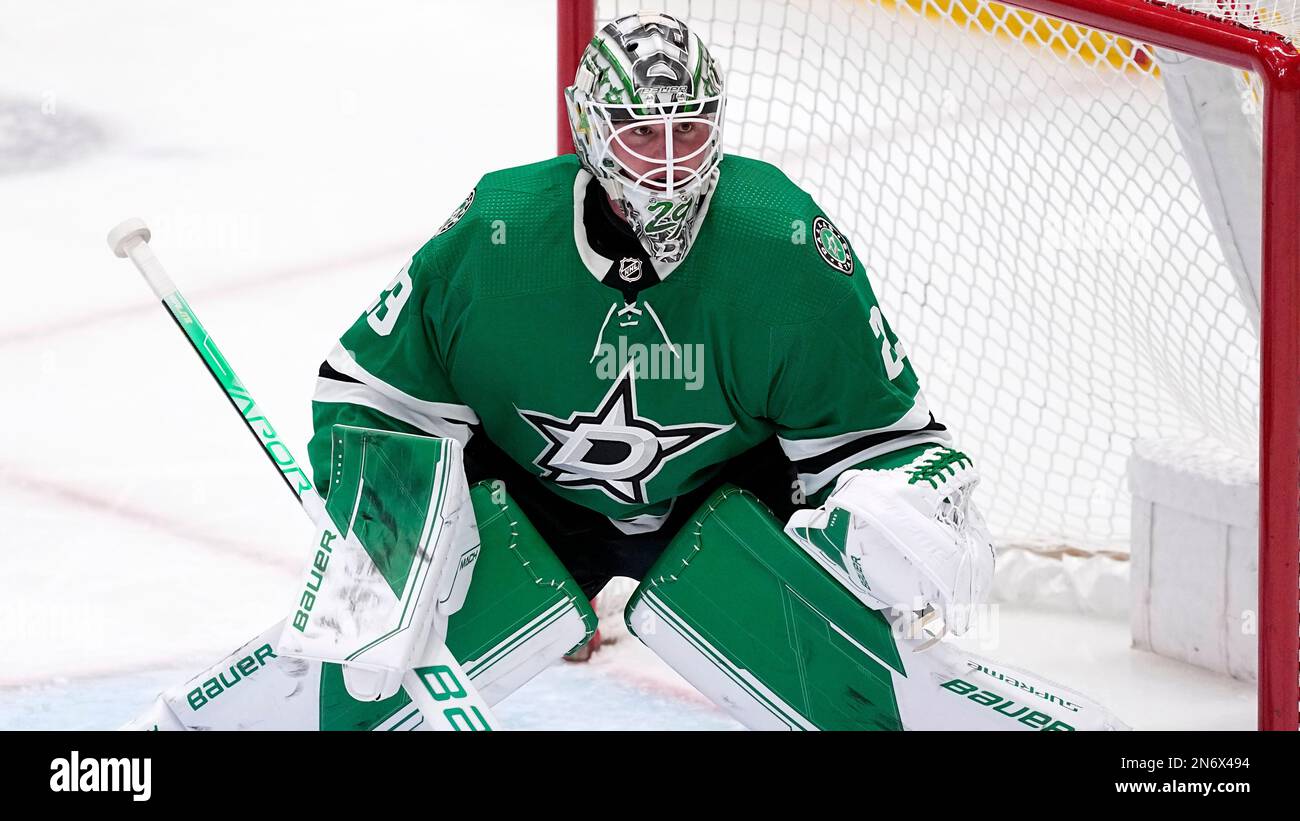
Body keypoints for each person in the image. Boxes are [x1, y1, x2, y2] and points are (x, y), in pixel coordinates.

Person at [308, 10, 987, 634]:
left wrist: (886, 518)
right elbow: (370, 393)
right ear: (590, 127)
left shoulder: (783, 242)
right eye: (640, 132)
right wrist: (391, 517)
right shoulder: (497, 233)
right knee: (396, 609)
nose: (668, 163)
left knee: (861, 572)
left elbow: (877, 436)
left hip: (723, 509)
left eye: (687, 128)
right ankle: (534, 601)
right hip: (531, 511)